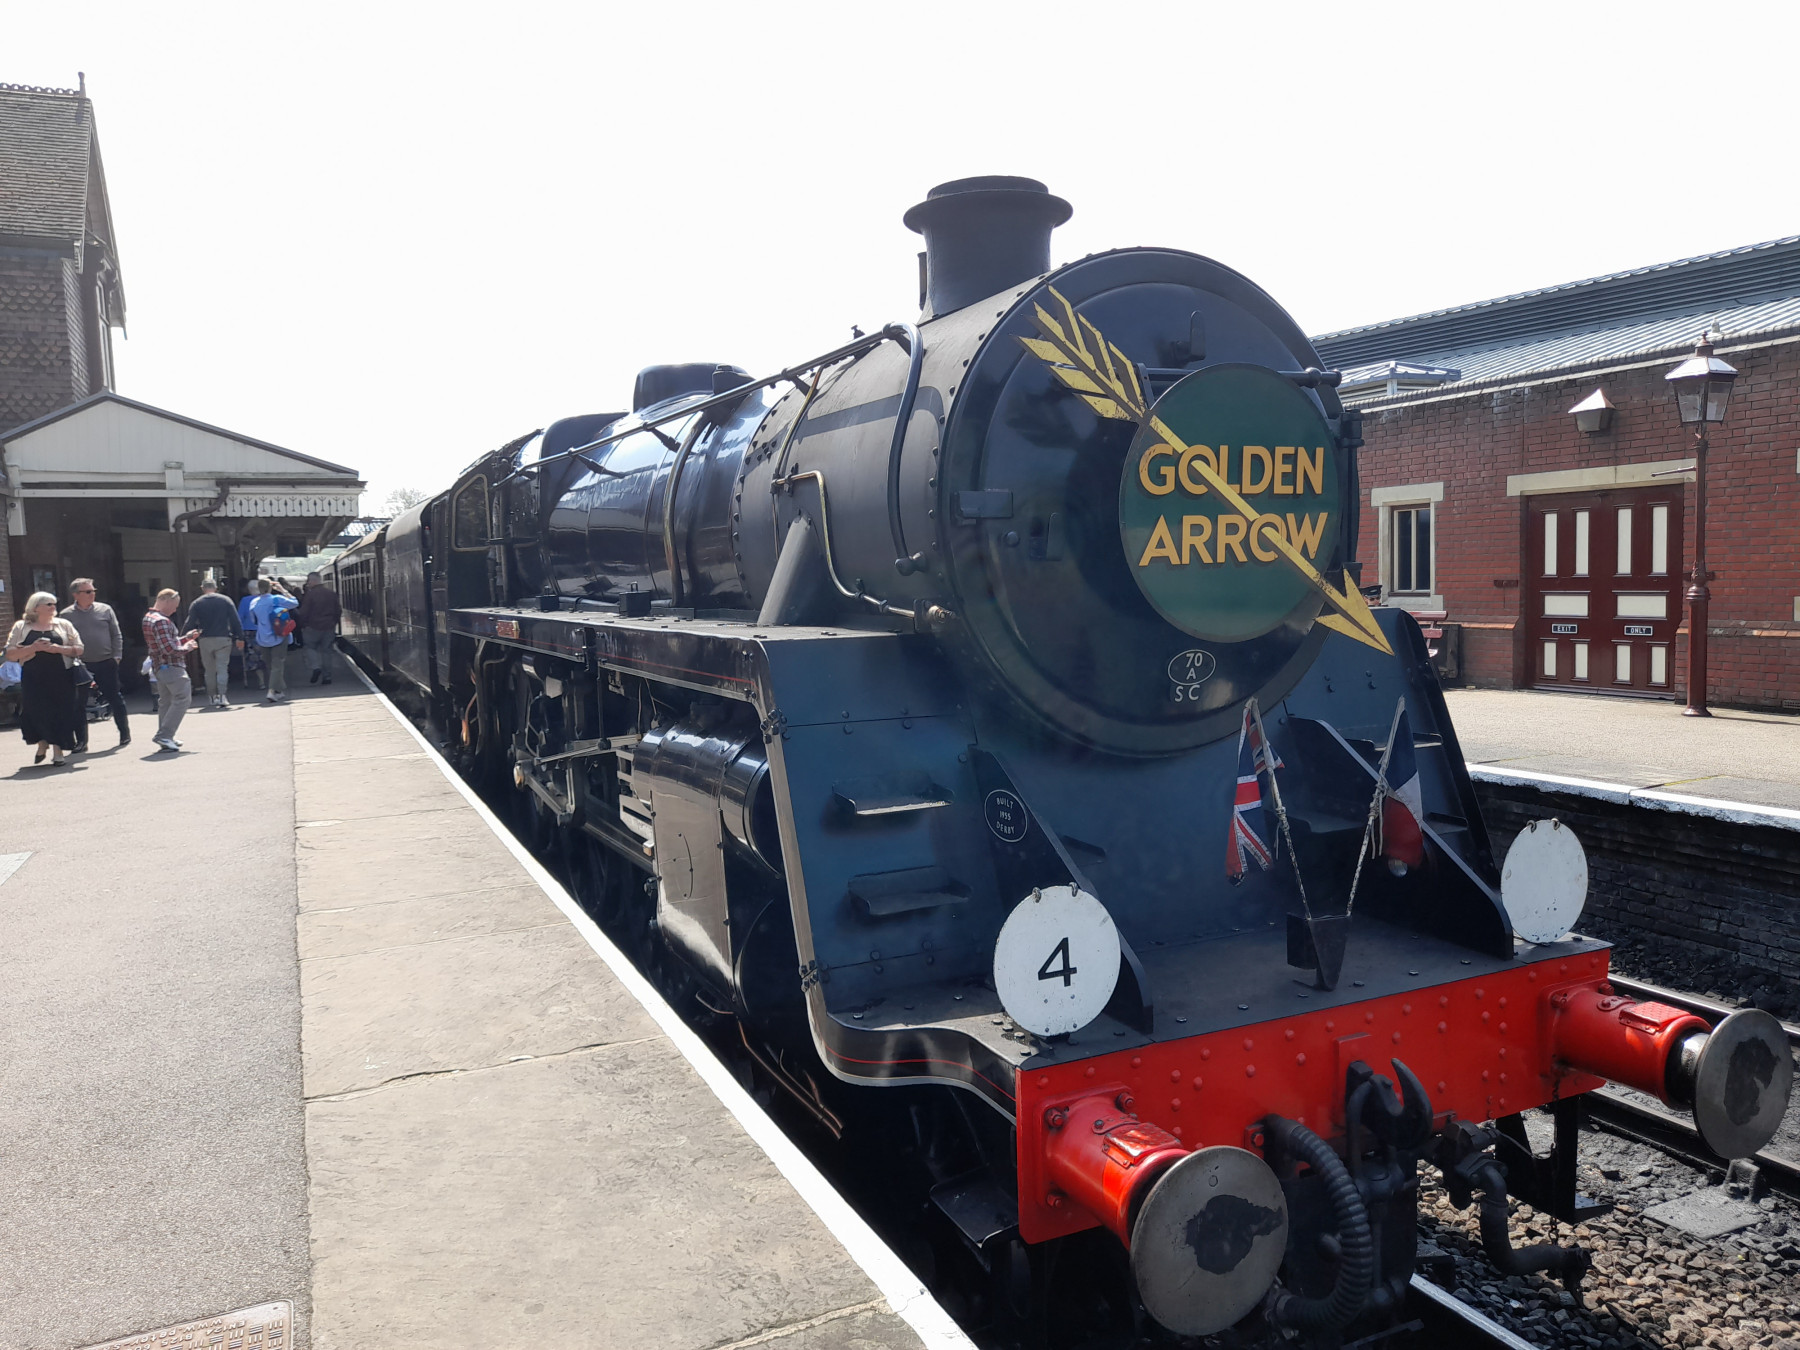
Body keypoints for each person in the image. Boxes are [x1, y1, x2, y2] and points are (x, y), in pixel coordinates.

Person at [5, 591, 84, 766]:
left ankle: (58, 750)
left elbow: (79, 648)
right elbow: (10, 654)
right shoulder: (21, 627)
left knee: (61, 712)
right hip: (34, 676)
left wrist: (58, 649)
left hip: (61, 675)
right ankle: (42, 742)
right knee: (35, 711)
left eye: (54, 603)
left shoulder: (63, 625)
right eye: (48, 604)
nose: (53, 607)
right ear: (35, 607)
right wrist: (34, 647)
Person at [59, 578, 131, 748]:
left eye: (93, 591)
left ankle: (124, 734)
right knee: (79, 703)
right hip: (82, 665)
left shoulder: (105, 610)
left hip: (106, 661)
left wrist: (117, 656)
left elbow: (116, 634)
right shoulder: (66, 615)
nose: (93, 594)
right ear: (76, 595)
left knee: (115, 698)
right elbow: (64, 640)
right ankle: (82, 741)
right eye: (88, 592)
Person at [142, 588, 198, 752]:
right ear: (165, 600)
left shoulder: (149, 618)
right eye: (174, 605)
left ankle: (166, 736)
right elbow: (169, 649)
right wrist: (187, 647)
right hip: (172, 667)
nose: (175, 609)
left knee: (165, 702)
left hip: (160, 666)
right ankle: (165, 735)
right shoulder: (162, 621)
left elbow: (165, 643)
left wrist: (185, 638)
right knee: (183, 698)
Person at [185, 578, 244, 708]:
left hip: (205, 639)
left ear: (202, 588)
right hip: (223, 638)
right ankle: (222, 696)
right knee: (222, 668)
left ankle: (212, 697)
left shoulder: (196, 603)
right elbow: (235, 620)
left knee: (209, 670)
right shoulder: (226, 600)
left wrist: (183, 638)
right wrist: (240, 637)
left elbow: (190, 622)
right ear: (216, 588)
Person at [246, 577, 299, 703]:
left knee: (270, 665)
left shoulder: (254, 603)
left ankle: (279, 690)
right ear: (270, 588)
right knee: (278, 664)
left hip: (262, 637)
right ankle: (271, 690)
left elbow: (253, 621)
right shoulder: (277, 599)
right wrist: (282, 590)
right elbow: (295, 602)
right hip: (279, 635)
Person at [295, 570, 343, 685]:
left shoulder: (310, 595)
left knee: (310, 647)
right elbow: (338, 610)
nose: (307, 584)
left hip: (312, 627)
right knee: (327, 651)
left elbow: (304, 612)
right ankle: (327, 677)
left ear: (312, 581)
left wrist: (302, 624)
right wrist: (334, 622)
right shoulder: (331, 593)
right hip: (329, 627)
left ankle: (316, 667)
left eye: (308, 581)